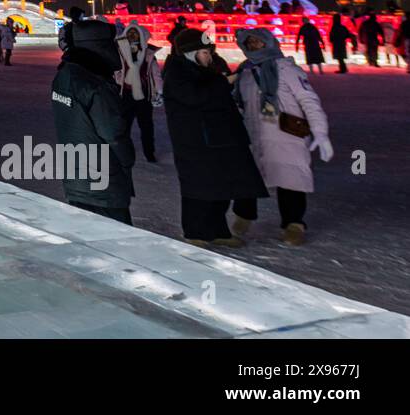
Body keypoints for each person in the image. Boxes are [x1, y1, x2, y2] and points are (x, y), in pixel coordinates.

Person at [162, 28, 267, 247]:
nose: (209, 57)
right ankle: (196, 232)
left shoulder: (205, 70)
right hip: (196, 142)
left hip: (218, 138)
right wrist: (223, 82)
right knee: (198, 189)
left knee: (221, 186)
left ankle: (219, 230)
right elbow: (194, 97)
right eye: (204, 52)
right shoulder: (177, 72)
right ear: (190, 53)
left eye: (209, 52)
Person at [232, 28, 334, 245]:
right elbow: (239, 103)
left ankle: (293, 223)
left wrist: (320, 132)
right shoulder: (245, 71)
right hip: (254, 135)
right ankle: (243, 216)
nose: (253, 47)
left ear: (269, 43)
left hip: (286, 136)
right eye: (249, 44)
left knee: (290, 180)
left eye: (258, 43)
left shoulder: (286, 69)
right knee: (247, 177)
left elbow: (309, 100)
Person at [50, 19, 134, 224]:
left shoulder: (65, 75)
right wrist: (127, 159)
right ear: (99, 45)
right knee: (118, 244)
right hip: (104, 180)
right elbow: (114, 133)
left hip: (75, 176)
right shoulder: (94, 85)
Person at [116, 20, 163, 163]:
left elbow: (155, 73)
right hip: (126, 94)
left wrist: (159, 90)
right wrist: (117, 84)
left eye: (135, 34)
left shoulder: (148, 53)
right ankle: (123, 151)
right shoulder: (120, 52)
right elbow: (116, 72)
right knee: (124, 126)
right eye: (130, 33)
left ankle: (149, 152)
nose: (132, 36)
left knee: (147, 126)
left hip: (143, 94)